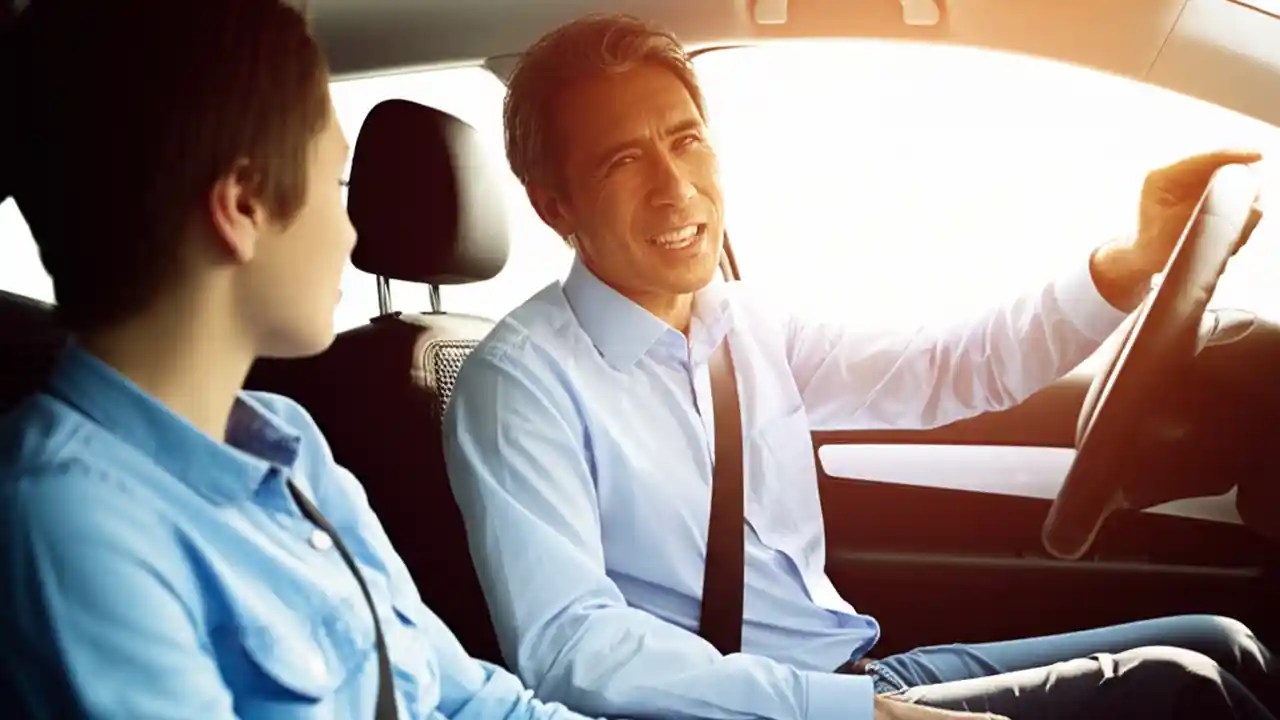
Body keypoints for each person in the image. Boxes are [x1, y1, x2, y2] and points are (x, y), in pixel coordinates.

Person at [442, 13, 1276, 720]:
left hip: (858, 678)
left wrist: (1131, 262)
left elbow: (952, 368)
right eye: (623, 162)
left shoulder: (744, 324)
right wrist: (852, 713)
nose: (675, 188)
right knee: (1181, 691)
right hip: (785, 709)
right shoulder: (519, 384)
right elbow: (572, 646)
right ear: (555, 205)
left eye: (686, 141)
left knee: (1223, 642)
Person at [0, 2, 599, 719]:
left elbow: (468, 698)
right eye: (335, 185)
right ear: (243, 206)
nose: (350, 234)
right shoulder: (74, 521)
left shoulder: (291, 444)